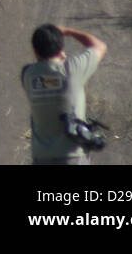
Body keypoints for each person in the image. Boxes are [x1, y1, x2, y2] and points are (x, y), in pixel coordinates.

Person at [21, 23, 107, 165]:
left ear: (35, 51)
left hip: (41, 158)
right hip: (72, 156)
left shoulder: (28, 74)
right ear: (60, 48)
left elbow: (47, 79)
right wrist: (68, 31)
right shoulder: (72, 70)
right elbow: (100, 47)